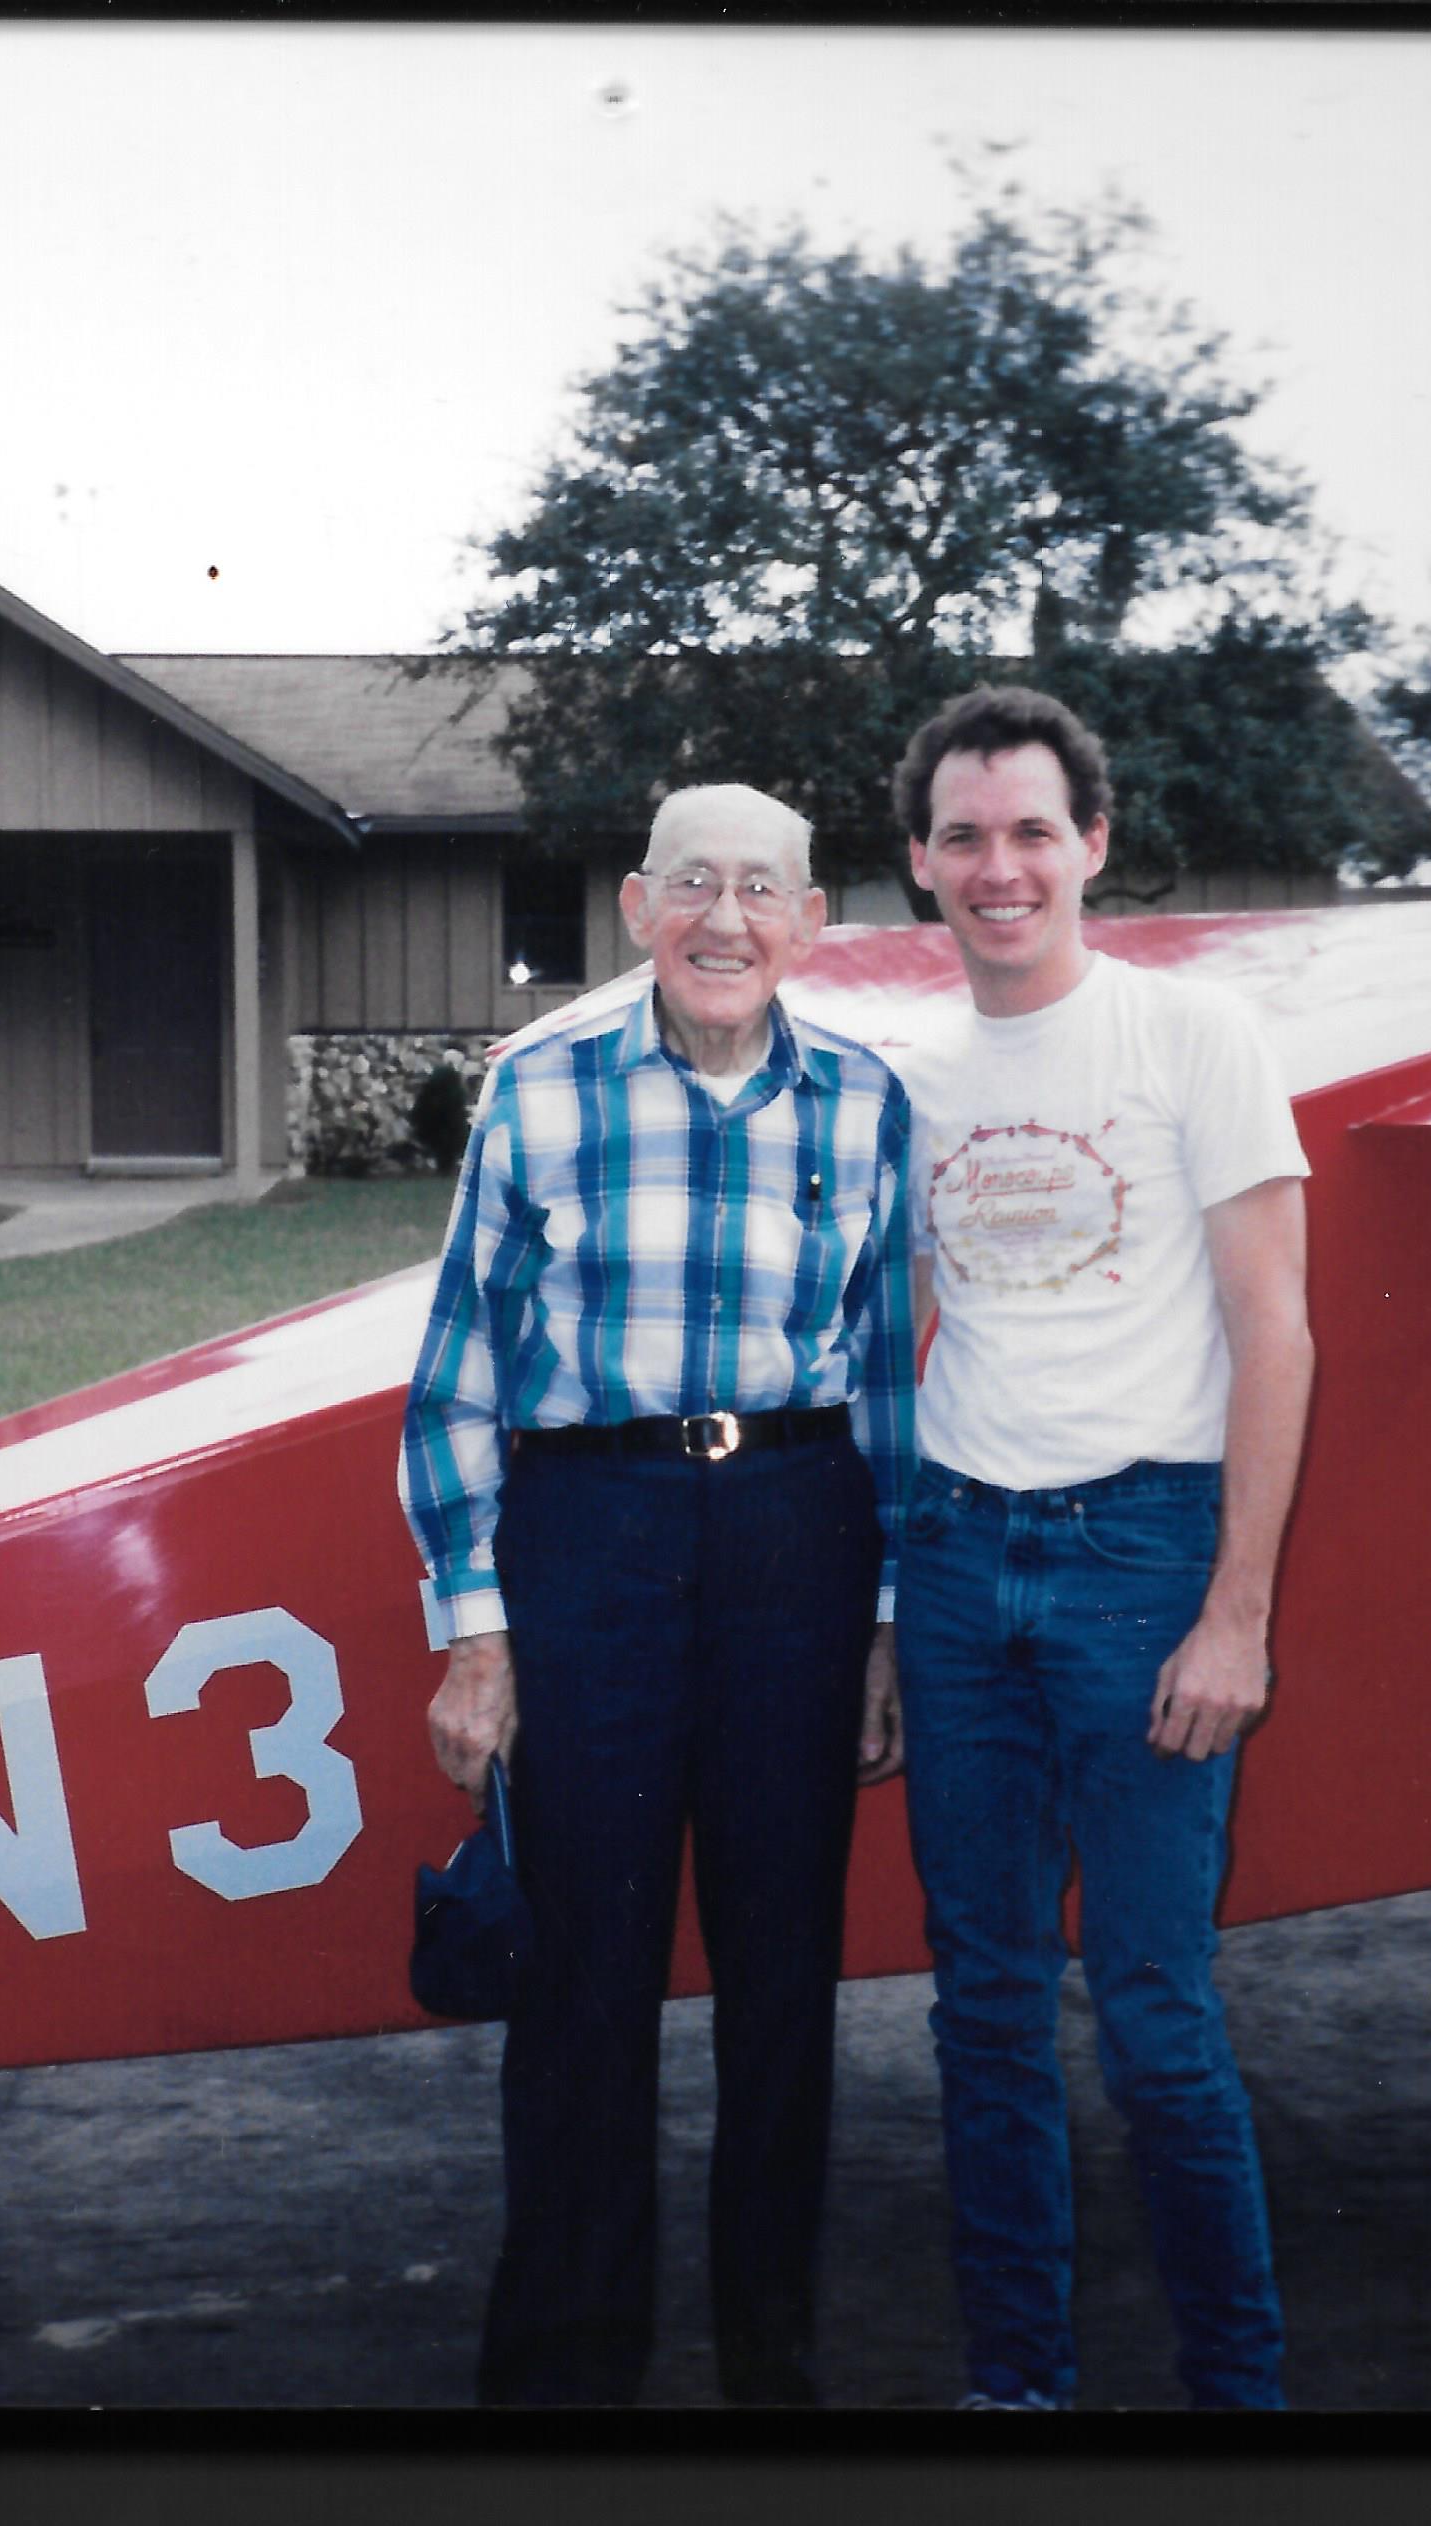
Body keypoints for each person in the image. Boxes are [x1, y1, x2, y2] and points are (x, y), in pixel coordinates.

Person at [398, 783, 916, 2407]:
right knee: (584, 1979)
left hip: (794, 1536)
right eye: (692, 882)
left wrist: (884, 1619)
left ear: (809, 921)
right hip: (592, 1531)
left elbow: (889, 1380)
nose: (724, 917)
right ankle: (564, 2377)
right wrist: (476, 1631)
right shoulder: (539, 1086)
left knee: (782, 1977)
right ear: (635, 907)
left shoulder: (863, 1099)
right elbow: (456, 1377)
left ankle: (772, 2365)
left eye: (761, 888)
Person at [884, 686, 1316, 2410]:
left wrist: (1236, 1614)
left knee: (1152, 2014)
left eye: (1032, 832)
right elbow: (890, 1354)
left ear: (1093, 845)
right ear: (921, 864)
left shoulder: (1191, 1035)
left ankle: (1236, 2391)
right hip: (954, 1555)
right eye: (965, 837)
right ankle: (1017, 2384)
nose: (1001, 868)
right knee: (983, 2009)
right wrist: (885, 1607)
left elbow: (1275, 1332)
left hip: (1142, 1561)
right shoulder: (910, 1079)